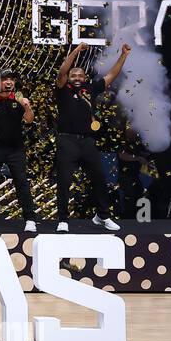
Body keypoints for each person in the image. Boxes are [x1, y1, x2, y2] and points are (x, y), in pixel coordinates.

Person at [53, 42, 130, 231]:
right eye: (73, 75)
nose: (77, 78)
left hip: (88, 141)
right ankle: (63, 219)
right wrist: (76, 51)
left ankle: (102, 216)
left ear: (85, 78)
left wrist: (124, 55)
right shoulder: (63, 88)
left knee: (99, 178)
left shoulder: (91, 88)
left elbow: (111, 75)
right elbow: (62, 71)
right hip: (67, 140)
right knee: (64, 181)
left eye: (80, 75)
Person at [0, 70, 38, 232]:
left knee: (21, 182)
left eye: (11, 79)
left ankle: (30, 219)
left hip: (15, 149)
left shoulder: (19, 98)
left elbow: (29, 120)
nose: (8, 82)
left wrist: (27, 107)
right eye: (5, 79)